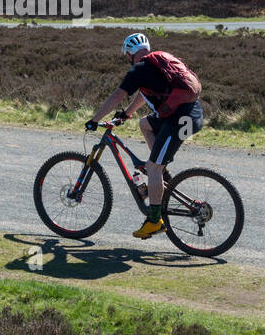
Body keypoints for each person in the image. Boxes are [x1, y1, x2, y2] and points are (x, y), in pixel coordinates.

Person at [85, 32, 203, 239]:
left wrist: (95, 120)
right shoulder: (158, 62)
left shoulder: (139, 69)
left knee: (153, 167)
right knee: (145, 125)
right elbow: (144, 93)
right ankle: (162, 176)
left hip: (179, 121)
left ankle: (154, 220)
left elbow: (117, 95)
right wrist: (127, 114)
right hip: (192, 115)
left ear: (130, 54)